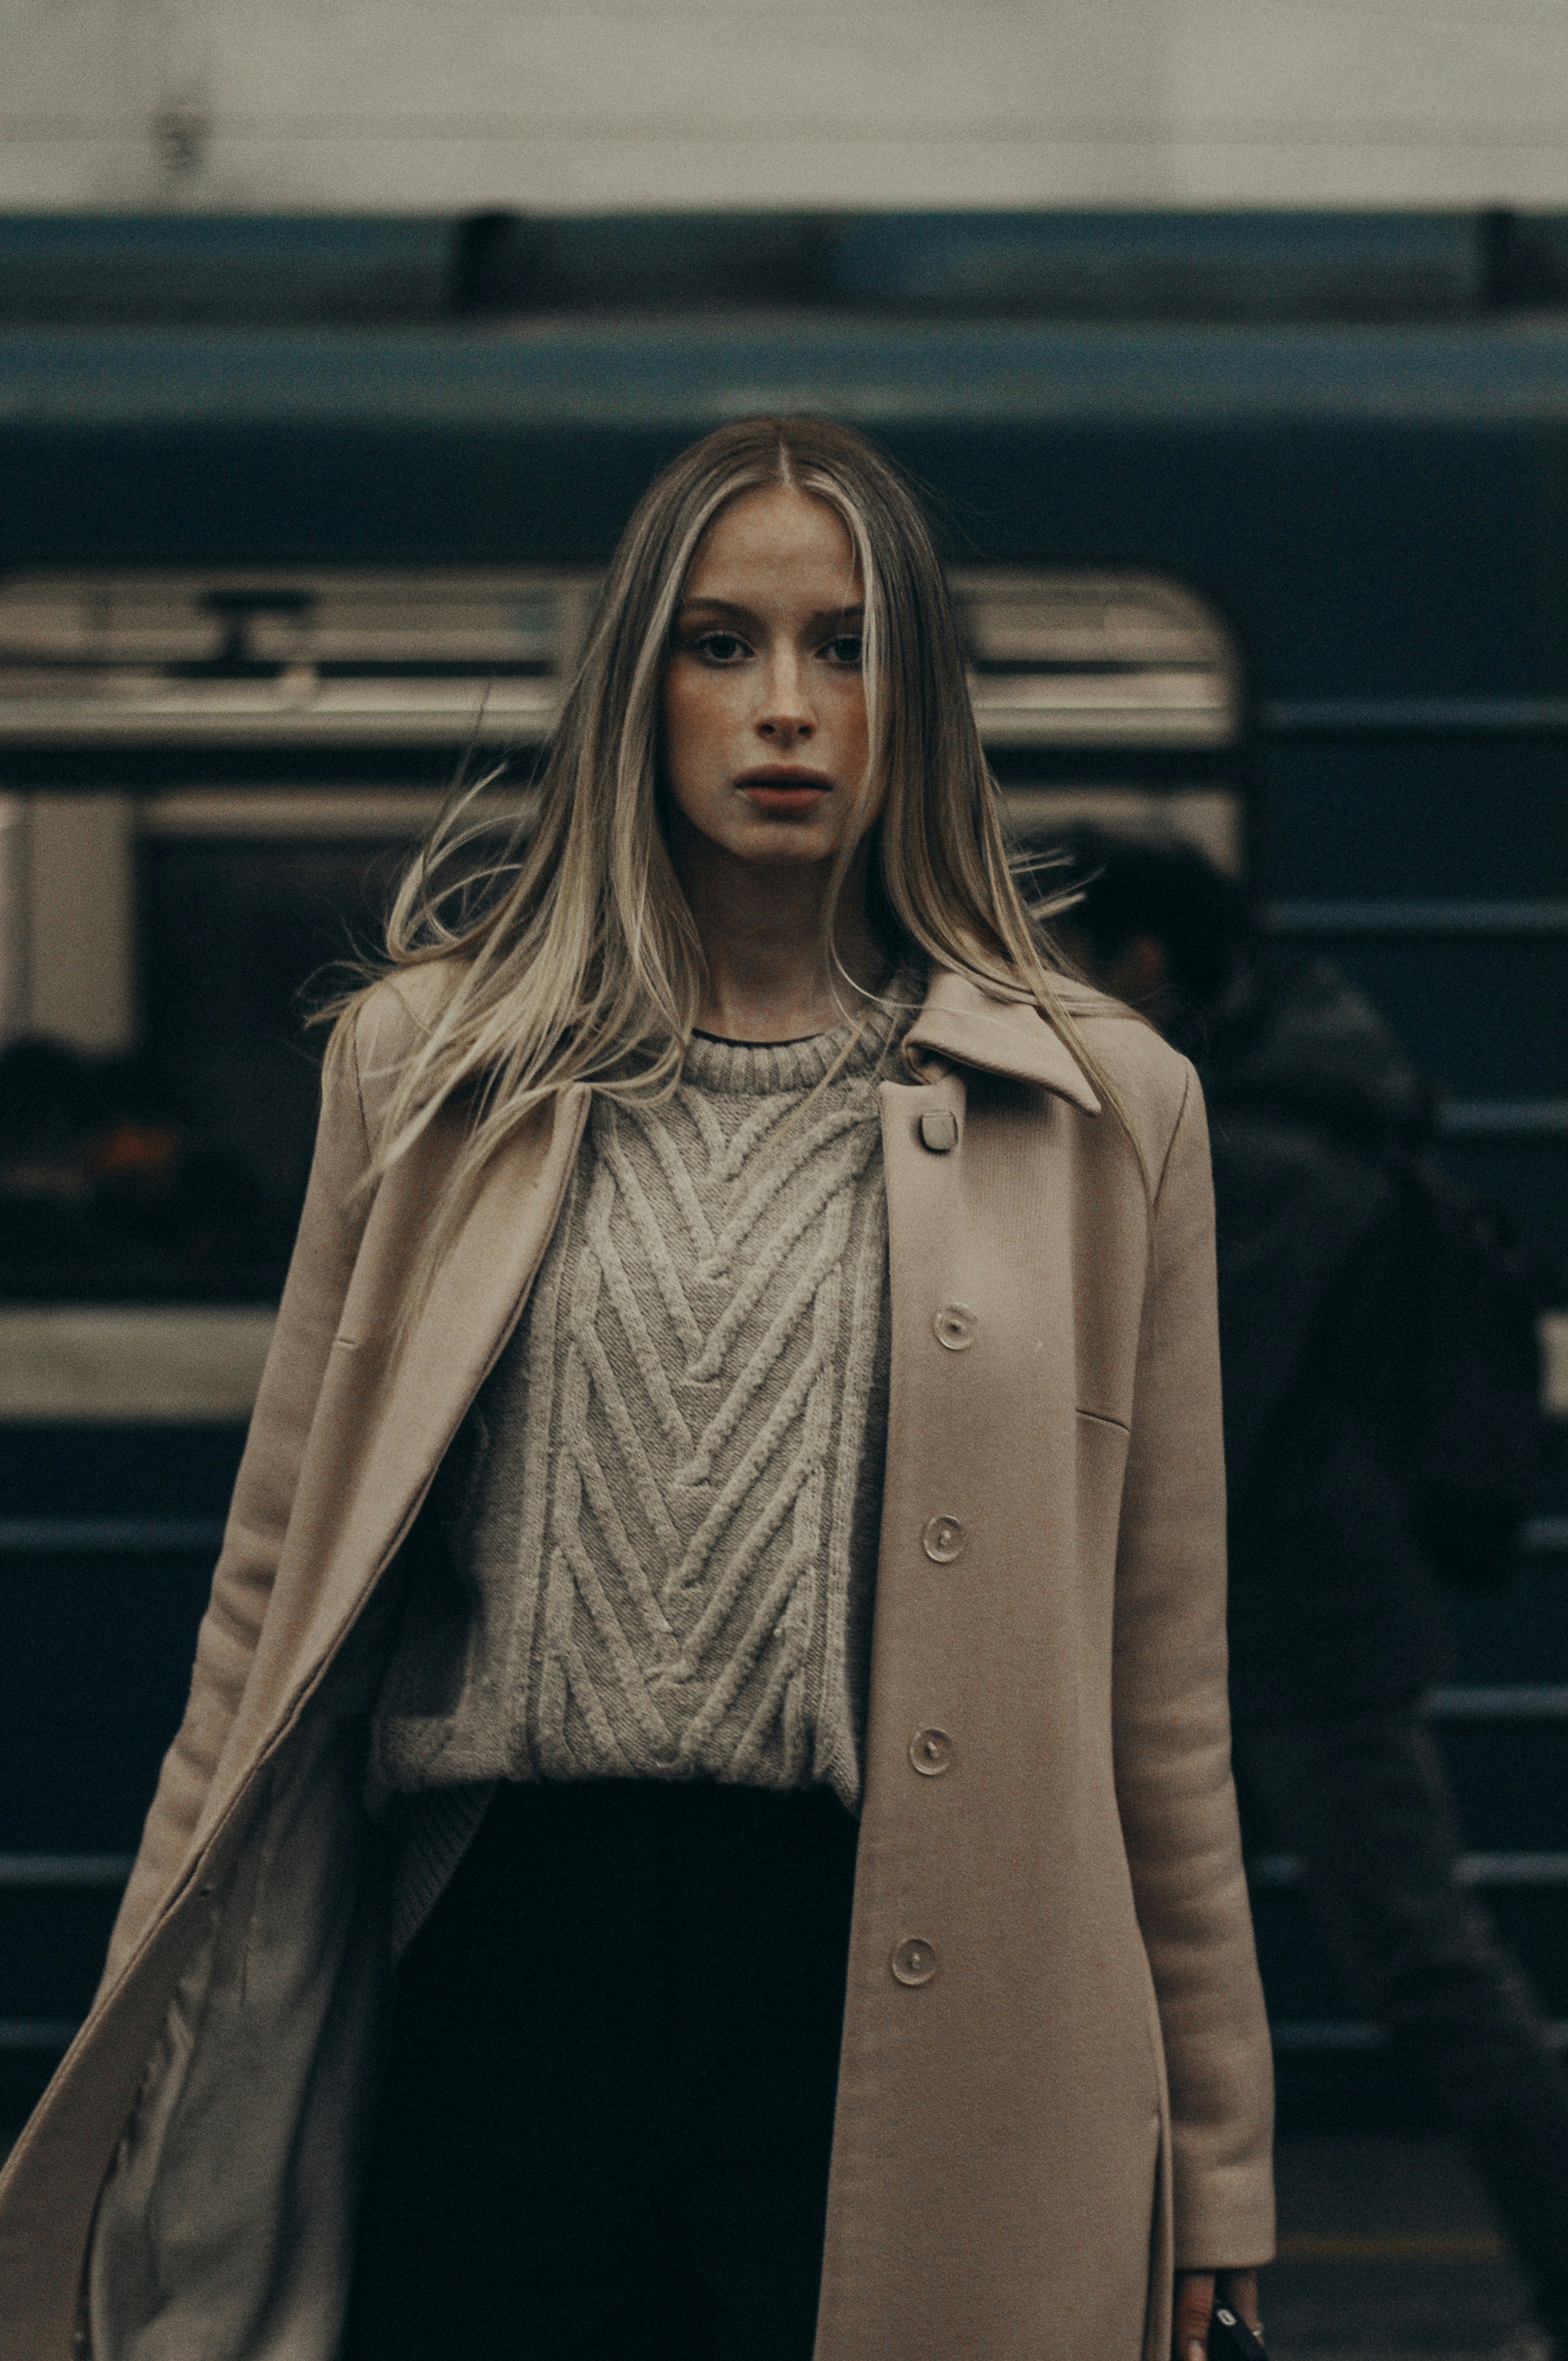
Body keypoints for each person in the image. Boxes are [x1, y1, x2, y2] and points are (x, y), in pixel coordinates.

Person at [0, 421, 1274, 2361]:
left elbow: (1161, 1704)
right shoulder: (430, 1073)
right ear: (635, 694)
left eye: (847, 650)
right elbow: (266, 1603)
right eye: (721, 644)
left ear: (917, 702)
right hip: (504, 1961)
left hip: (894, 1971)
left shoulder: (1109, 1117)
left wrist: (1223, 2172)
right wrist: (153, 2030)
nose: (786, 709)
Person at [1051, 825, 1568, 2358]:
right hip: (1277, 1622)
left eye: (1072, 958)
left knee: (1422, 1965)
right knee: (1162, 1966)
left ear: (1142, 963)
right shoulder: (1277, 1113)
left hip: (1297, 1636)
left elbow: (1198, 1405)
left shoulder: (1264, 1151)